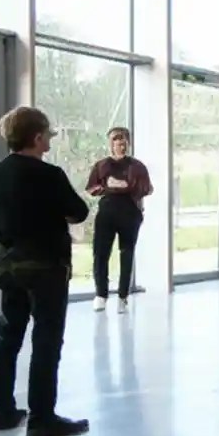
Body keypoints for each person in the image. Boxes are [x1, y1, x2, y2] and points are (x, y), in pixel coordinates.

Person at [0, 107, 91, 436]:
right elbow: (79, 211)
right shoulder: (50, 174)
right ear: (37, 138)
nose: (49, 139)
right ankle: (42, 418)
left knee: (8, 337)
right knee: (46, 341)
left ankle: (3, 412)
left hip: (9, 265)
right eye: (47, 134)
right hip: (45, 268)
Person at [85, 127, 152, 314]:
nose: (120, 146)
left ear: (128, 143)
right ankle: (101, 294)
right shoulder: (101, 165)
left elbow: (147, 188)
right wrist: (107, 186)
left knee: (127, 253)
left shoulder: (137, 166)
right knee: (100, 253)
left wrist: (127, 187)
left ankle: (123, 296)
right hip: (107, 212)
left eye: (124, 142)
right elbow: (91, 187)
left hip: (130, 212)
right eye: (116, 142)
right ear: (110, 144)